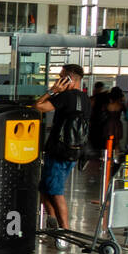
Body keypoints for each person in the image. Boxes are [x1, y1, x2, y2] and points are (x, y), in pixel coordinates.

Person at [33, 63, 89, 236]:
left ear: (69, 79)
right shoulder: (86, 99)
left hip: (58, 150)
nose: (58, 80)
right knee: (44, 187)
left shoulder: (65, 96)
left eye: (61, 77)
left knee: (56, 191)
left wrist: (52, 91)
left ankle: (64, 231)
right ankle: (52, 219)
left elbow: (38, 107)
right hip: (74, 150)